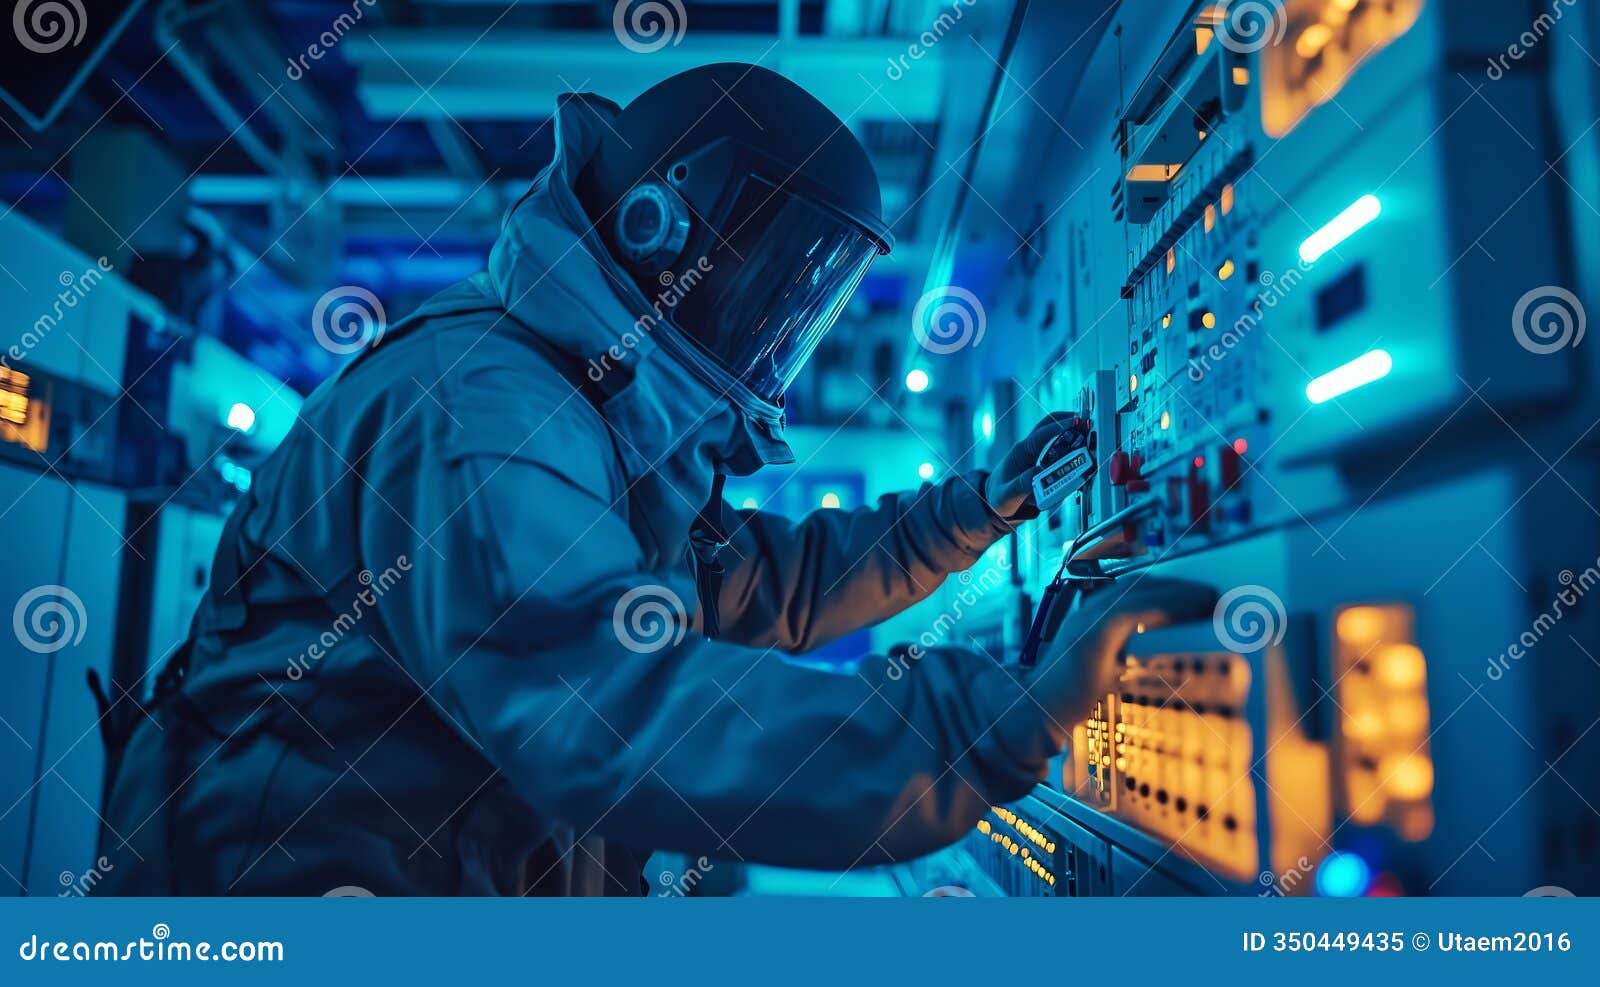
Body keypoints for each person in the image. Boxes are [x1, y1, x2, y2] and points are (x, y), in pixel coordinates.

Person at [98, 63, 1213, 895]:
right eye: (770, 275)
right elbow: (607, 709)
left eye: (804, 298)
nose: (776, 324)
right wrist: (991, 721)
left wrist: (972, 512)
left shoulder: (594, 418)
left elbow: (762, 582)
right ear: (655, 223)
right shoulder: (482, 407)